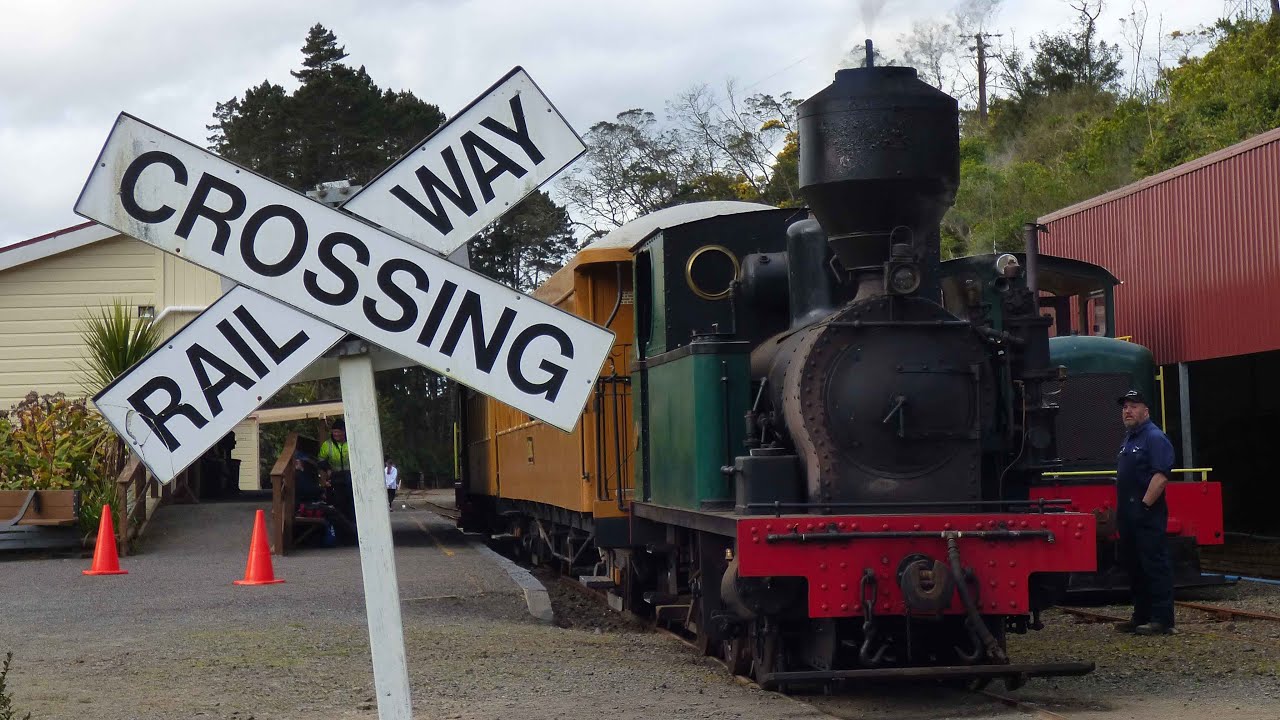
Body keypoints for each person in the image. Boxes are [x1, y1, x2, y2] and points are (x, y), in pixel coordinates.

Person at [1113, 390, 1176, 636]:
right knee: (1135, 566)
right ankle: (1141, 616)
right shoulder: (1129, 439)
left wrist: (1145, 506)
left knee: (1154, 565)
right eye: (1125, 407)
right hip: (1128, 515)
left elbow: (1160, 477)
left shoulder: (1154, 437)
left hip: (1146, 514)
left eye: (1133, 406)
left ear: (1146, 411)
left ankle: (1162, 619)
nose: (1127, 411)